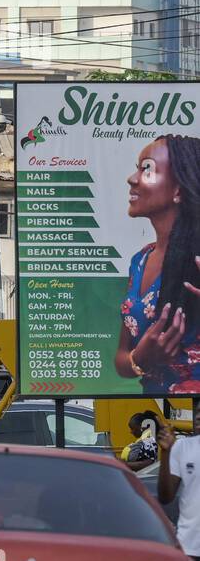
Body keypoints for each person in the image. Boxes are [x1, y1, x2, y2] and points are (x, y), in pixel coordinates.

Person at [114, 135, 200, 394]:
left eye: (147, 169)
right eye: (138, 168)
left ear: (178, 190)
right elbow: (122, 358)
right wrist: (140, 359)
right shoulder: (140, 261)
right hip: (159, 415)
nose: (132, 178)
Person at [158, 423, 200, 561]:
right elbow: (165, 497)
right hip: (189, 547)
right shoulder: (182, 447)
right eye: (198, 412)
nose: (198, 416)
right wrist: (165, 453)